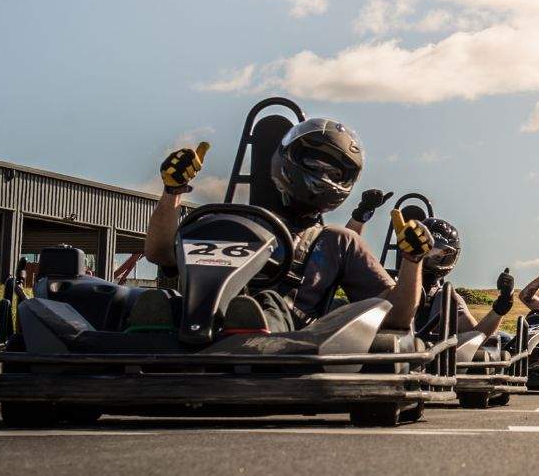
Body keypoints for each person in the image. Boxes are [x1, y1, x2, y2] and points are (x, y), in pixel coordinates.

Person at [137, 123, 429, 335]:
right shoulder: (230, 223)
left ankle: (247, 328)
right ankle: (151, 334)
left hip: (285, 337)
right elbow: (160, 253)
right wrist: (173, 191)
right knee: (152, 300)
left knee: (267, 305)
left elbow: (398, 317)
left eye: (333, 172)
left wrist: (412, 261)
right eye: (314, 163)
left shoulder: (339, 242)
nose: (322, 174)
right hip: (203, 318)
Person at [404, 217, 515, 344]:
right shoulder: (393, 285)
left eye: (436, 255)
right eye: (425, 250)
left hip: (424, 360)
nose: (428, 258)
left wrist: (501, 305)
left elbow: (474, 338)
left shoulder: (445, 298)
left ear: (449, 257)